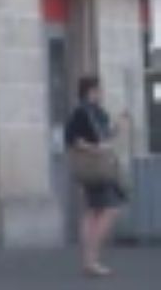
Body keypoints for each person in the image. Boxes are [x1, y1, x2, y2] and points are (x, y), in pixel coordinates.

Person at [65, 74, 130, 278]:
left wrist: (117, 127)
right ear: (91, 90)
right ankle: (92, 259)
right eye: (99, 89)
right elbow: (74, 140)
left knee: (93, 211)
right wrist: (96, 149)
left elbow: (104, 135)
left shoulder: (93, 112)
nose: (101, 93)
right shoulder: (83, 112)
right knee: (109, 209)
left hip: (93, 168)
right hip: (96, 167)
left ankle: (89, 260)